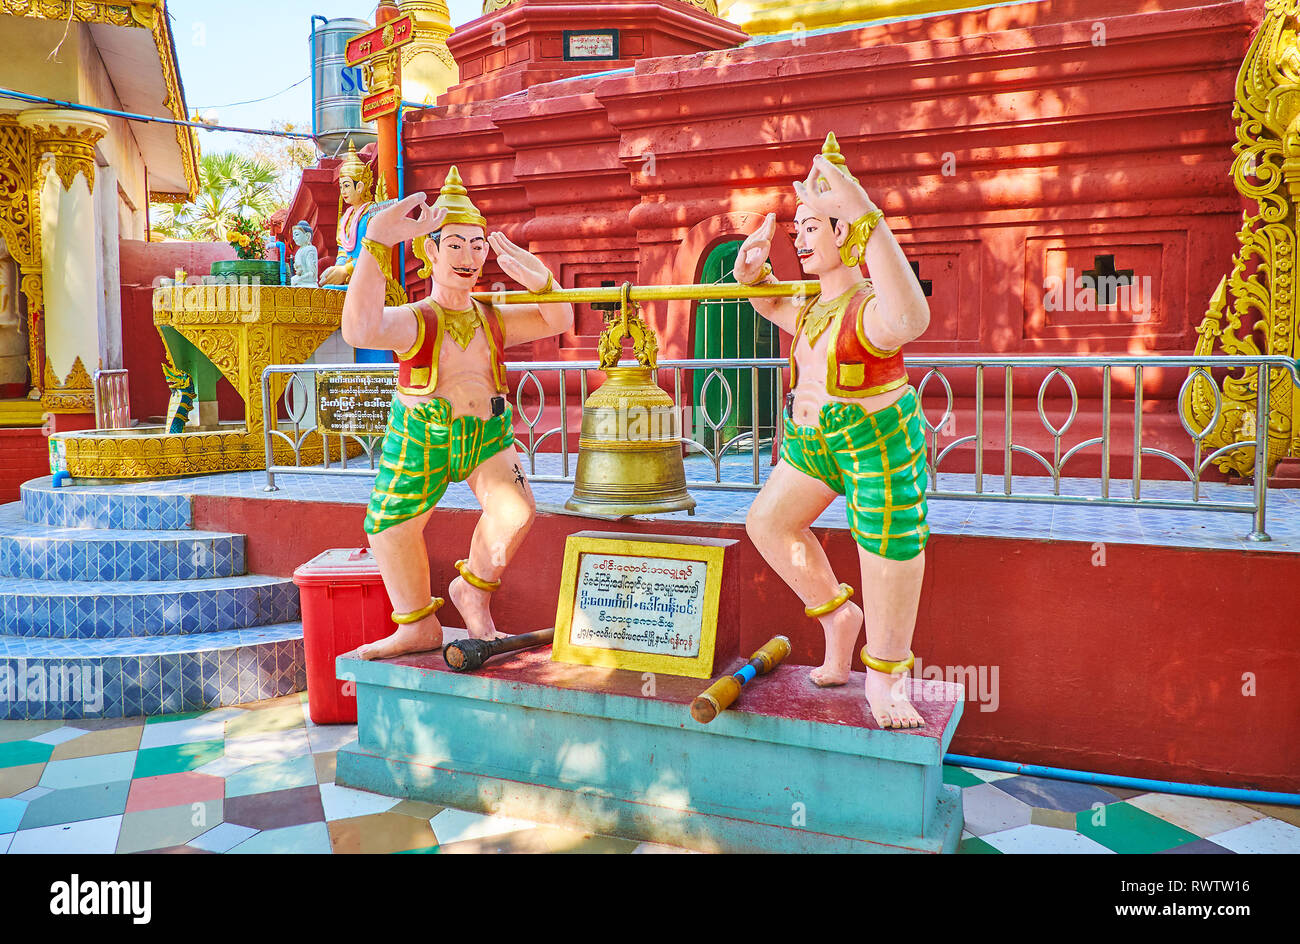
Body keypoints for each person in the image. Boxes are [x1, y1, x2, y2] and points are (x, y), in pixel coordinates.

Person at [740, 133, 933, 729]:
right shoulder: (811, 307)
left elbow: (912, 317)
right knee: (768, 522)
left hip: (877, 446)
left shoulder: (871, 309)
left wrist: (860, 208)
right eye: (796, 227)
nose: (798, 237)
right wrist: (750, 275)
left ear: (846, 231)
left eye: (812, 227)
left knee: (887, 551)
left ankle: (887, 680)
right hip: (813, 446)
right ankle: (835, 619)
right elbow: (768, 304)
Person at [341, 167, 574, 660]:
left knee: (516, 510)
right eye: (455, 245)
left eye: (477, 245)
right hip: (421, 434)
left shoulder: (491, 317)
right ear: (430, 251)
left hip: (486, 433)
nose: (469, 257)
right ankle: (418, 626)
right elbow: (360, 329)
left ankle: (474, 592)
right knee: (390, 526)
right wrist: (376, 242)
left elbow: (559, 319)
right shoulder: (417, 320)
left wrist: (541, 279)